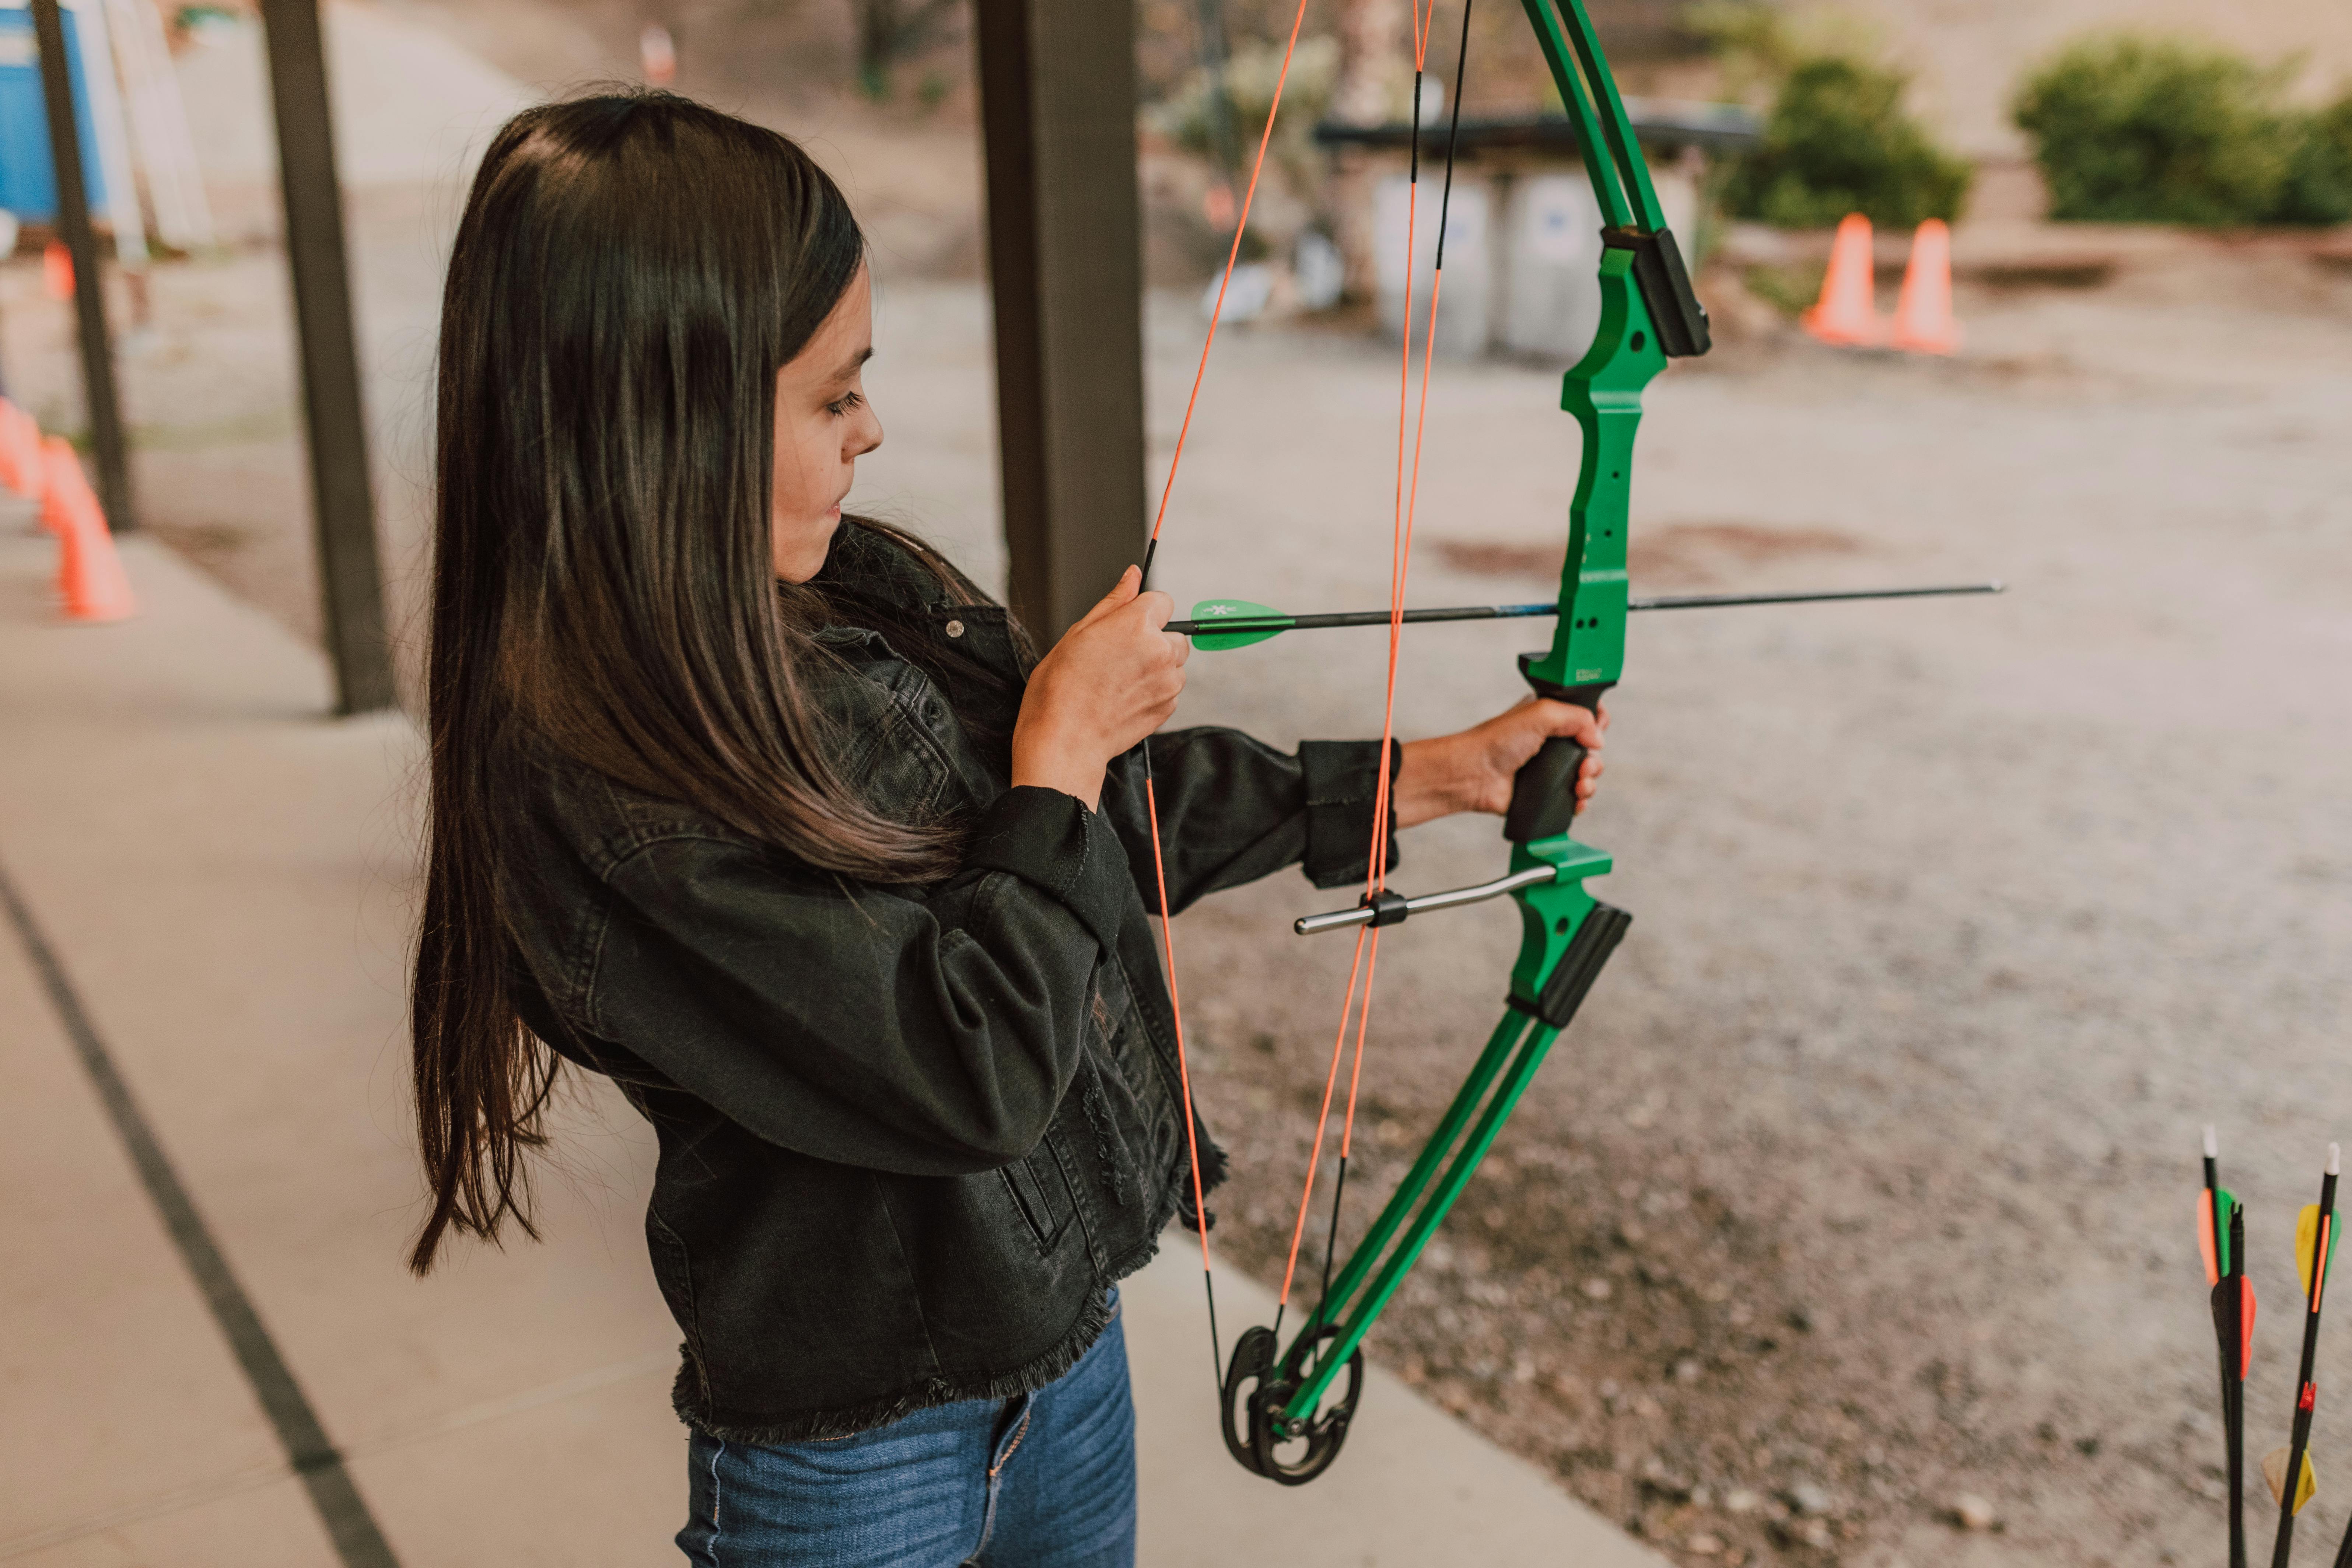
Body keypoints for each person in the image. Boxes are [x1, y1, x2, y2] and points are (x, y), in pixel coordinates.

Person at [405, 92, 1604, 1568]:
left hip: (1063, 1363)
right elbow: (965, 1061)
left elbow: (1083, 826)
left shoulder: (850, 587)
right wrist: (1061, 748)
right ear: (671, 414)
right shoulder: (598, 788)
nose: (873, 427)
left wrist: (1429, 775)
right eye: (831, 395)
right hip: (859, 1464)